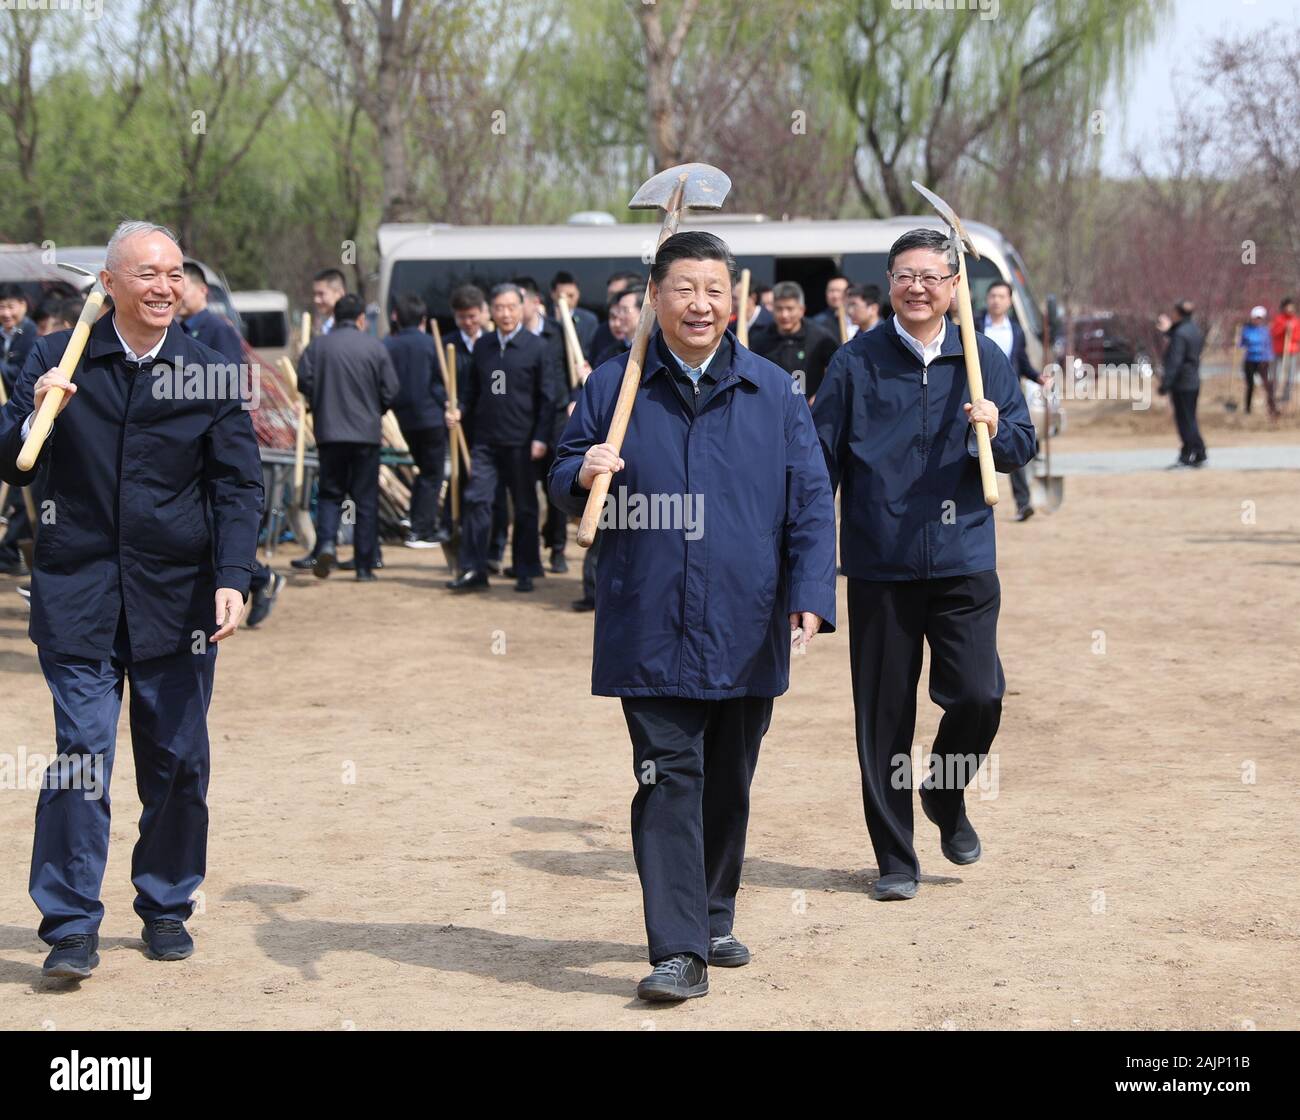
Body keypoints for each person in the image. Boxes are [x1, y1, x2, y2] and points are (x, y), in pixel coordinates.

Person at [549, 230, 837, 1003]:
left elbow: (810, 501)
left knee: (729, 781)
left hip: (748, 624)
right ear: (655, 296)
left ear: (734, 299)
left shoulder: (773, 391)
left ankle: (712, 914)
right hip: (650, 621)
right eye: (684, 288)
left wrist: (811, 593)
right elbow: (559, 470)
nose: (700, 303)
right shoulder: (615, 386)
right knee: (668, 778)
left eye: (714, 288)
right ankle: (678, 949)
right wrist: (581, 471)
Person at [0, 220, 263, 977]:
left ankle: (167, 902)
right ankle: (70, 923)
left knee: (177, 760)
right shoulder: (57, 354)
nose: (164, 286)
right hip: (77, 594)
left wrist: (233, 577)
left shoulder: (212, 371)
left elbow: (239, 485)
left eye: (174, 273)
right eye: (147, 273)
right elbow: (15, 466)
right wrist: (34, 412)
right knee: (81, 755)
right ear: (108, 284)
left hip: (177, 602)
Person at [812, 228, 1036, 903]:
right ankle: (895, 858)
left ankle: (945, 788)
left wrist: (999, 428)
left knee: (979, 694)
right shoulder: (854, 363)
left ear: (953, 286)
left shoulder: (982, 359)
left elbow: (1023, 444)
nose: (917, 287)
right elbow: (819, 464)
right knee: (883, 718)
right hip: (881, 563)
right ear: (888, 283)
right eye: (905, 275)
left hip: (965, 557)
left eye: (932, 276)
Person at [445, 283, 555, 593]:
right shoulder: (484, 346)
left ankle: (525, 567)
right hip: (486, 441)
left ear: (522, 309)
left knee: (524, 506)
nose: (505, 314)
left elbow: (547, 398)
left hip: (522, 442)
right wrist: (459, 411)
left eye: (511, 307)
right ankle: (474, 568)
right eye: (499, 308)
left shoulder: (537, 347)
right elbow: (471, 392)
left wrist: (540, 438)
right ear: (490, 312)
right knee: (477, 501)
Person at [294, 293, 400, 579]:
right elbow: (391, 389)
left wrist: (320, 402)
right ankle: (364, 566)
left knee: (330, 494)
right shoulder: (374, 347)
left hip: (329, 433)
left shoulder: (318, 346)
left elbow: (303, 381)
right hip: (366, 435)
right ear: (362, 319)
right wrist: (374, 410)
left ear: (335, 317)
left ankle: (326, 543)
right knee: (365, 500)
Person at [974, 280, 1050, 521]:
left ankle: (1023, 503)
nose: (996, 300)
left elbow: (1022, 362)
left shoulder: (1016, 330)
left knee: (1012, 445)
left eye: (1001, 296)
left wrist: (1039, 378)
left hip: (1007, 396)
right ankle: (980, 502)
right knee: (978, 451)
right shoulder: (974, 324)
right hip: (979, 396)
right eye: (992, 296)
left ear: (1009, 301)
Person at [384, 292, 449, 549]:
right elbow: (440, 381)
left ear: (396, 317)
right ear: (423, 318)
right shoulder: (432, 344)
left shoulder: (388, 345)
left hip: (403, 420)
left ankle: (415, 521)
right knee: (432, 474)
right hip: (431, 417)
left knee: (425, 472)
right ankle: (422, 529)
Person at [750, 281, 840, 403]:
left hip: (809, 410)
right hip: (772, 406)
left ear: (802, 309)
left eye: (790, 309)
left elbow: (837, 370)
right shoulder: (760, 339)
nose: (784, 315)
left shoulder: (821, 338)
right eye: (779, 309)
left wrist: (821, 394)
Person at [1159, 299, 1206, 469]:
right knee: (1190, 418)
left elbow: (1175, 360)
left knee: (1185, 421)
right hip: (1193, 380)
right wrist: (1169, 330)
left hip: (1182, 382)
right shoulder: (1195, 330)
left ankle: (1190, 454)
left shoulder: (1180, 333)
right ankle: (1198, 452)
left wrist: (1166, 383)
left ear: (1178, 313)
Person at [178, 264, 244, 362]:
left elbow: (231, 374)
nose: (178, 296)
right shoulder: (177, 330)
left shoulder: (219, 329)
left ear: (203, 290)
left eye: (183, 290)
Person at [587, 270, 644, 362]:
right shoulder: (604, 337)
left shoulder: (656, 345)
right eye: (610, 295)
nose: (613, 300)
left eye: (625, 310)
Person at [1239, 306, 1277, 418]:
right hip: (1250, 360)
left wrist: (1269, 357)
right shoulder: (1246, 329)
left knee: (1267, 385)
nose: (1257, 320)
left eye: (1260, 318)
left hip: (1263, 361)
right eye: (1256, 318)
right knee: (1250, 385)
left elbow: (1269, 346)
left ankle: (1272, 407)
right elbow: (1242, 343)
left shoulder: (1265, 331)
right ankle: (1247, 409)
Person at [549, 270, 598, 357]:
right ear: (553, 294)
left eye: (571, 296)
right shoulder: (545, 319)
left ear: (578, 294)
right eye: (562, 296)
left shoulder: (589, 320)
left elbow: (591, 351)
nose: (567, 300)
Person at [0, 282, 37, 395]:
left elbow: (25, 372)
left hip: (21, 398)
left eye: (11, 307)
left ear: (23, 306)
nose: (6, 313)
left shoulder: (33, 333)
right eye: (1, 307)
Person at [1270, 297, 1299, 405]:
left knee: (1290, 376)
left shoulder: (1296, 321)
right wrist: (1284, 328)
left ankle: (1286, 397)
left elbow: (1298, 337)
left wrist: (1291, 332)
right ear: (1283, 308)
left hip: (1292, 352)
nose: (1290, 309)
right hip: (1279, 351)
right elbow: (1273, 333)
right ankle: (1274, 395)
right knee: (1276, 374)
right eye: (1288, 307)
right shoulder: (1279, 319)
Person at [311, 268, 347, 335]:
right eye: (315, 294)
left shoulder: (350, 328)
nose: (316, 300)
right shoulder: (324, 327)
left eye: (321, 294)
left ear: (340, 293)